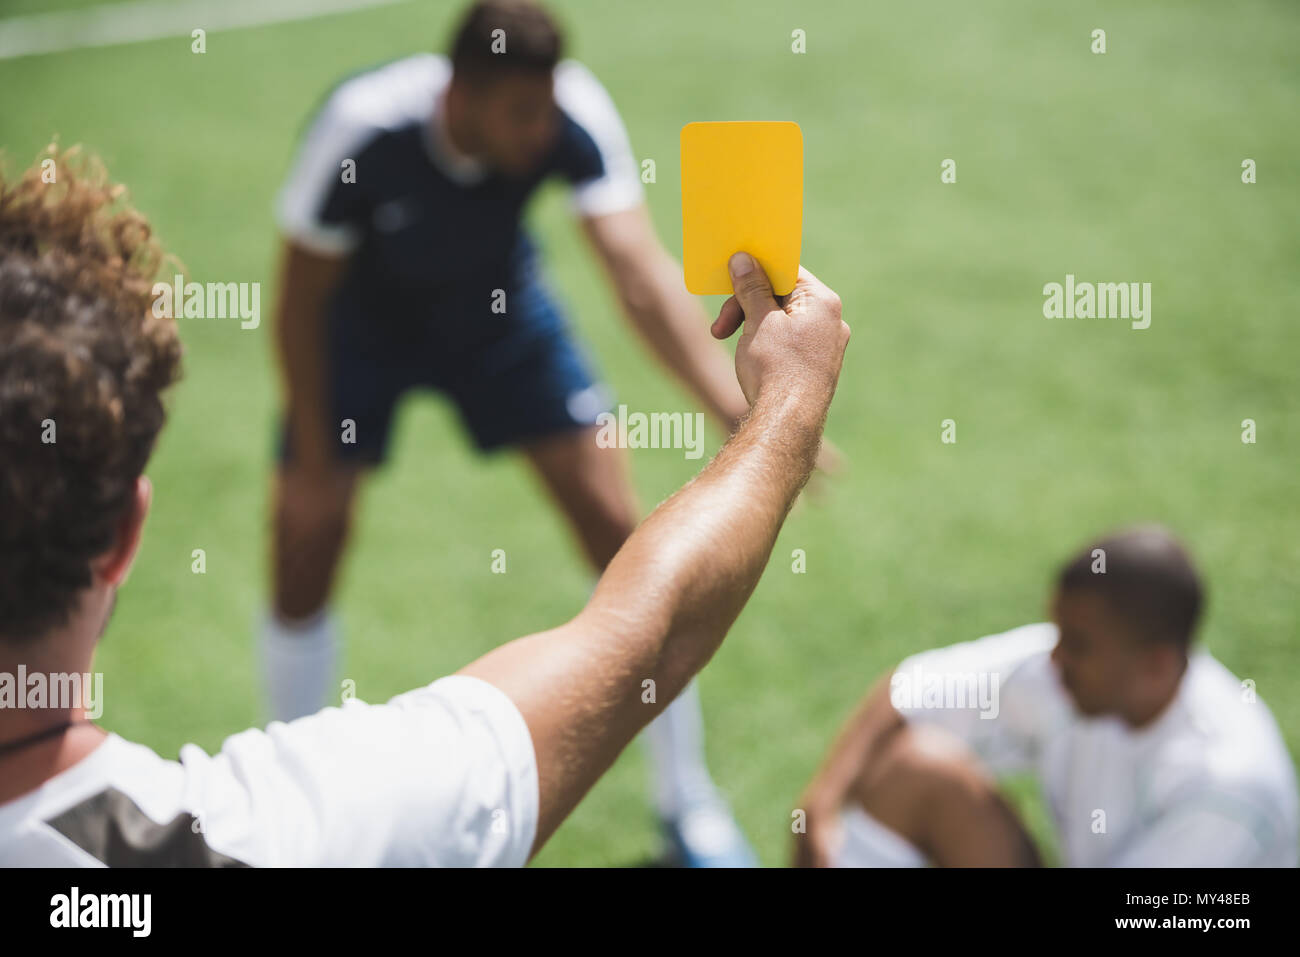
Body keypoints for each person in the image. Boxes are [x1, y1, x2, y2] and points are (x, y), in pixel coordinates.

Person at [0, 146, 850, 866]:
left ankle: (685, 797)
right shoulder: (266, 834)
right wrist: (789, 405)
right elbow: (647, 634)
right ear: (123, 535)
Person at [265, 0, 836, 867]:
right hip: (359, 333)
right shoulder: (363, 128)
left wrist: (737, 407)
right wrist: (313, 447)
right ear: (459, 94)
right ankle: (285, 812)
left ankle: (688, 804)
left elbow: (637, 275)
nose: (541, 132)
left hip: (496, 318)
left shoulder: (570, 109)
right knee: (307, 533)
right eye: (519, 115)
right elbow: (301, 296)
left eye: (547, 110)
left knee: (623, 533)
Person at [796, 525, 1298, 867]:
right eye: (1057, 632)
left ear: (1156, 665)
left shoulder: (1230, 783)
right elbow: (909, 690)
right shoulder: (1077, 675)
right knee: (918, 768)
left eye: (1077, 644)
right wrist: (820, 802)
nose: (1053, 659)